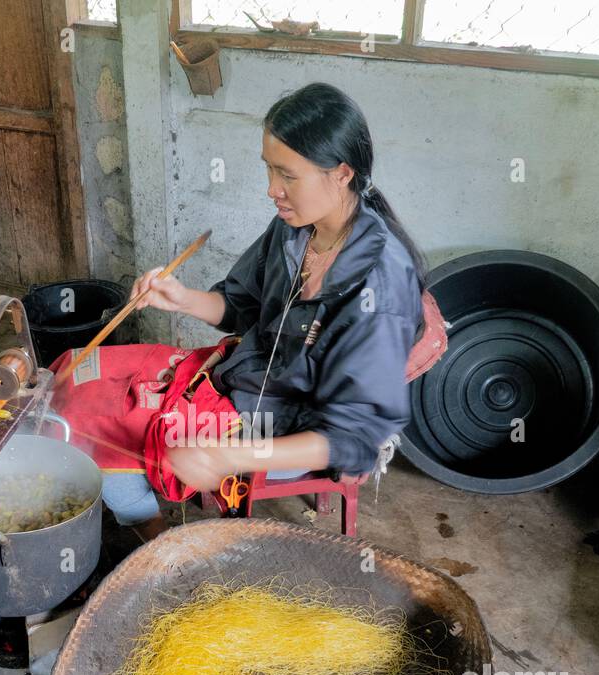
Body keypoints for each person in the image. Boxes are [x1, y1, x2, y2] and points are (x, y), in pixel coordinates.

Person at [62, 82, 427, 533]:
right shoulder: (296, 230)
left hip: (283, 429)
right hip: (234, 374)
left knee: (98, 424)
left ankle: (150, 536)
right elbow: (240, 306)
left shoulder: (381, 285)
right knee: (76, 378)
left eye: (287, 175)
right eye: (269, 170)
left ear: (342, 173)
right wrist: (183, 299)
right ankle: (143, 518)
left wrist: (228, 454)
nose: (272, 190)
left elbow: (354, 440)